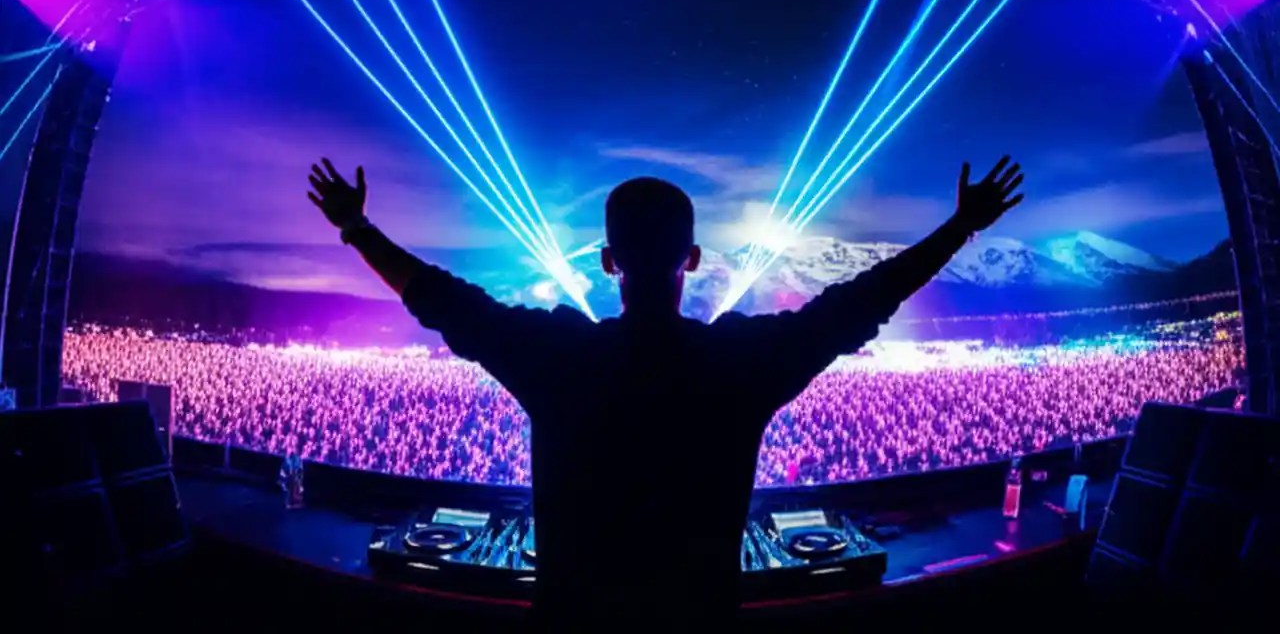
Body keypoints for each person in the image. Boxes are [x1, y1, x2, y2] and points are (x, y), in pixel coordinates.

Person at [306, 155, 1024, 630]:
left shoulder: (556, 357)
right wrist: (959, 228)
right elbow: (860, 302)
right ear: (696, 260)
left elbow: (440, 299)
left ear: (607, 260)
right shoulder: (741, 363)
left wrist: (357, 228)